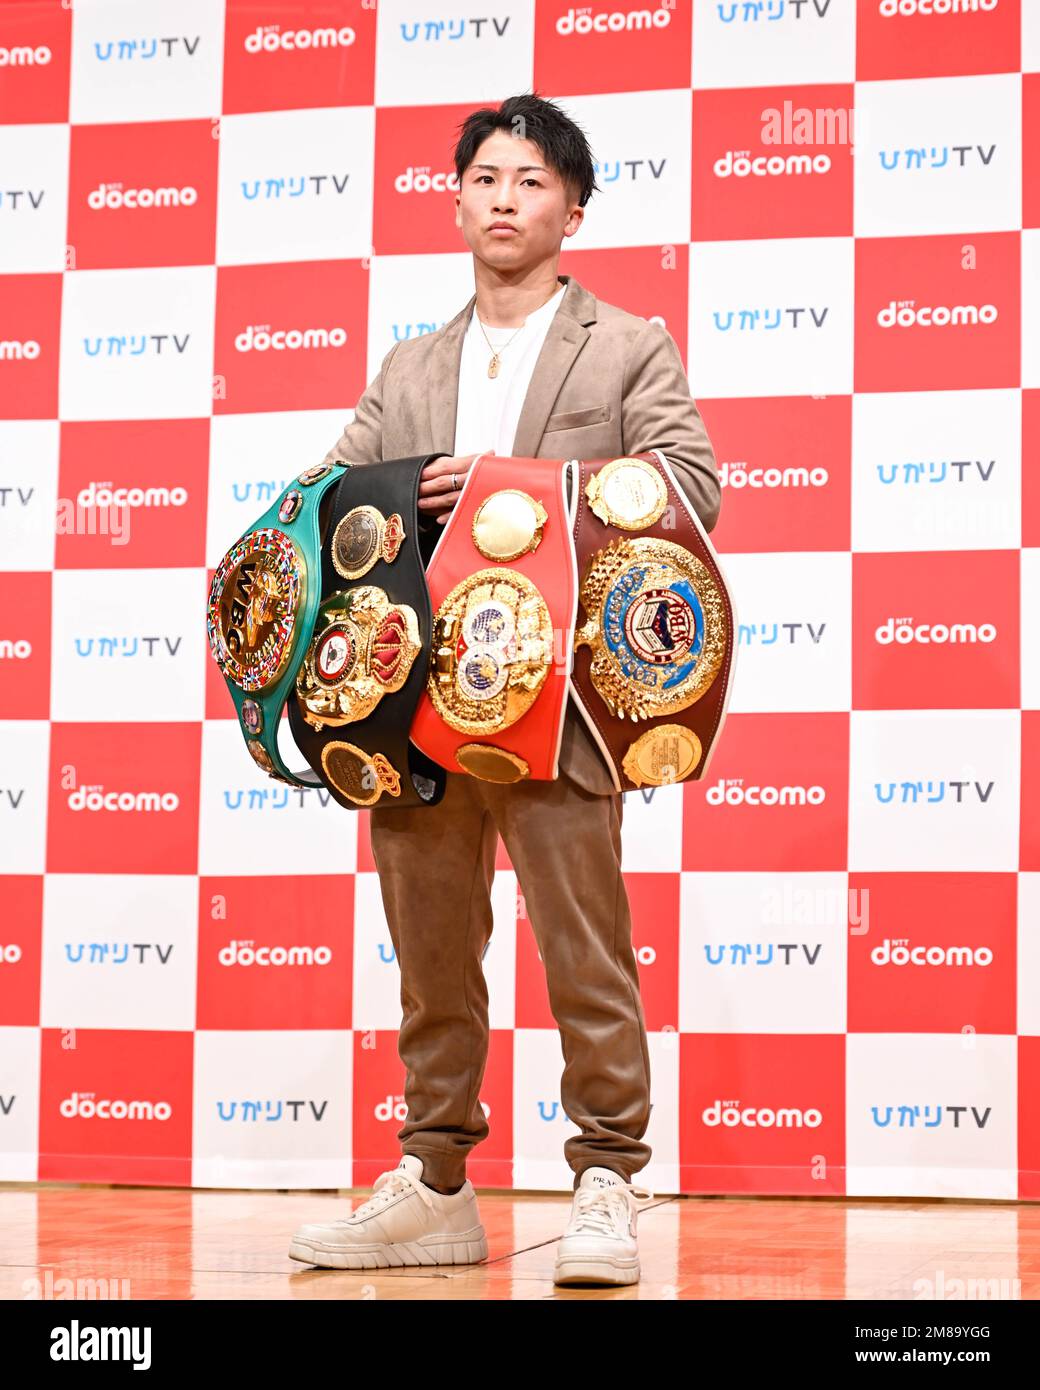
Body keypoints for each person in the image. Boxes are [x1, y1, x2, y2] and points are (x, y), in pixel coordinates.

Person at [288, 92, 722, 1287]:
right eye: (483, 177)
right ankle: (433, 1185)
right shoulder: (411, 361)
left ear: (572, 208)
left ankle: (605, 1180)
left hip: (565, 698)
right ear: (456, 196)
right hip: (410, 696)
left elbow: (687, 487)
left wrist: (504, 489)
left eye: (530, 181)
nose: (502, 199)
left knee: (584, 947)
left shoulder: (627, 342)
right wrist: (379, 488)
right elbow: (329, 493)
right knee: (429, 952)